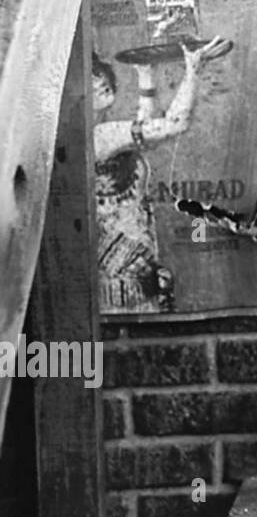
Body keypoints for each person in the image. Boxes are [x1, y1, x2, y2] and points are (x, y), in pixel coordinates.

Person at [93, 36, 229, 312]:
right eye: (88, 79)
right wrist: (193, 71)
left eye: (98, 72)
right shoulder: (99, 137)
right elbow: (174, 125)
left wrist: (146, 76)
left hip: (136, 274)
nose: (98, 80)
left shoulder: (107, 135)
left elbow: (147, 136)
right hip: (119, 279)